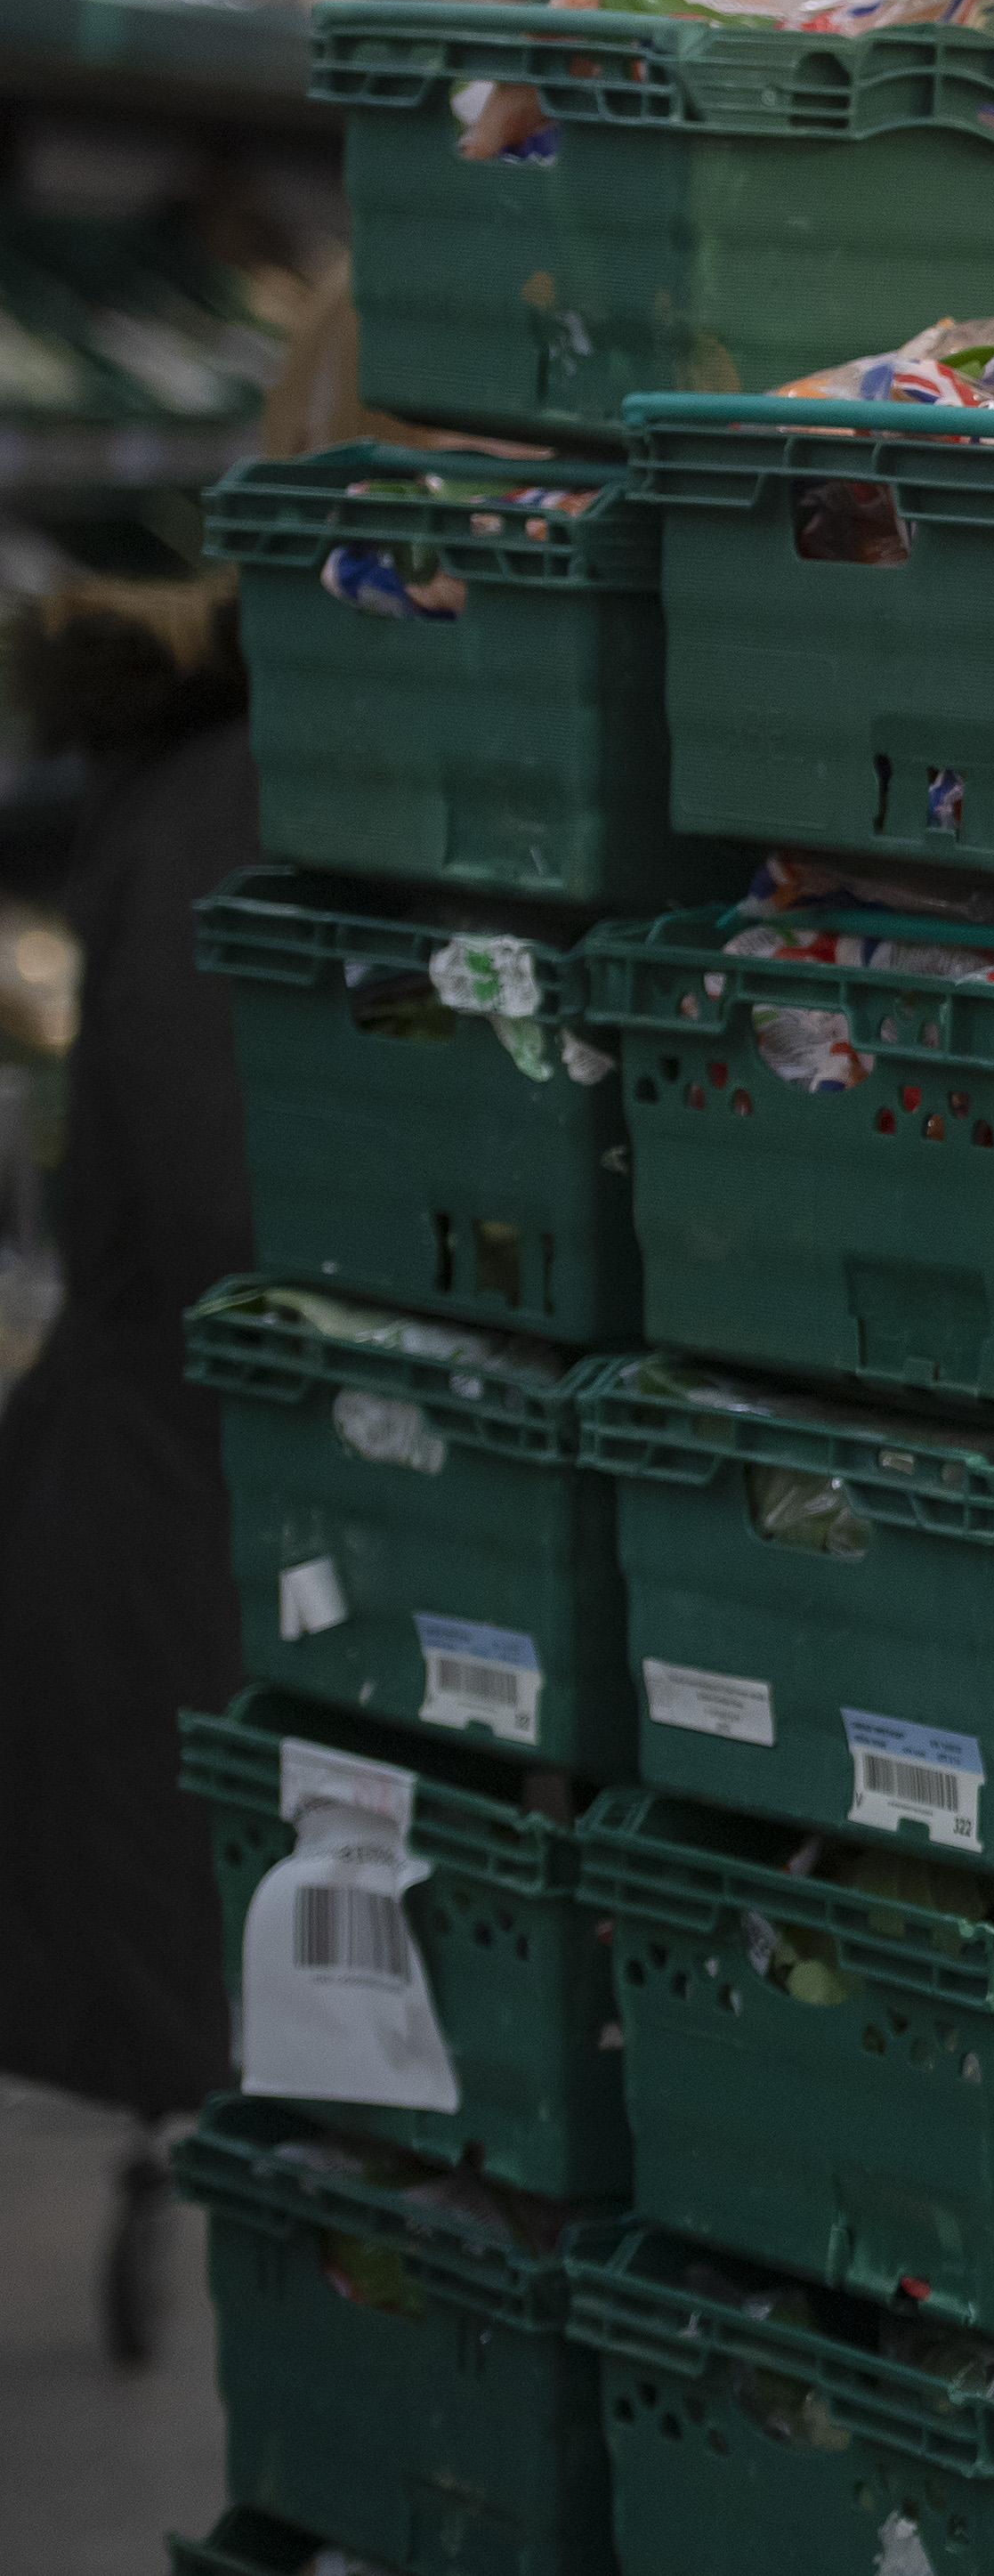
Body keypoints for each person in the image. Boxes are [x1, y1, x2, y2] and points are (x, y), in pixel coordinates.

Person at [0, 573, 259, 2363]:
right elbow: (215, 1201)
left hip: (170, 1463)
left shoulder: (209, 770)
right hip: (190, 1489)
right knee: (200, 1927)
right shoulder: (235, 797)